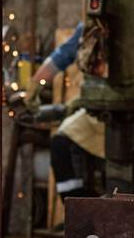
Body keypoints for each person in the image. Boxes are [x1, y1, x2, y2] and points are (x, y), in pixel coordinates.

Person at [23, 22, 105, 203]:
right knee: (62, 144)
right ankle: (76, 207)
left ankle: (81, 208)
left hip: (121, 112)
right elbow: (64, 55)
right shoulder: (92, 26)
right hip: (101, 112)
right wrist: (35, 83)